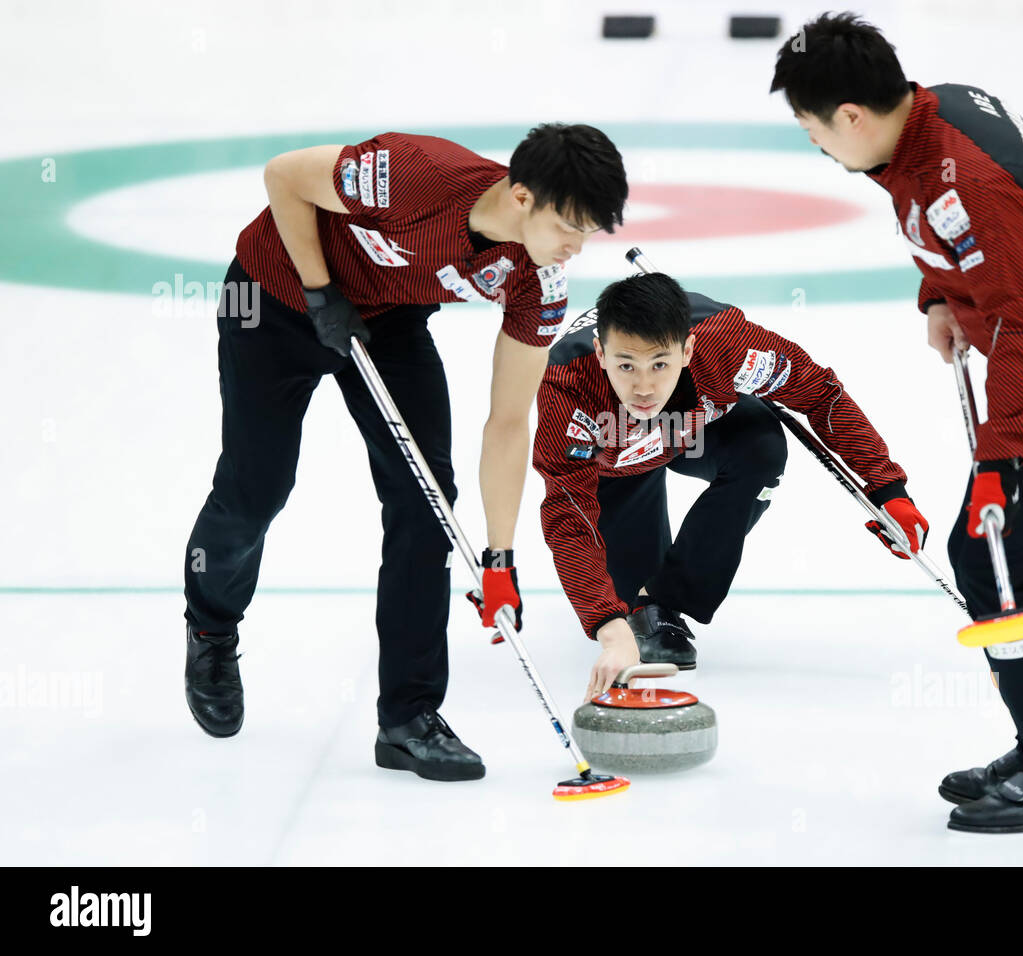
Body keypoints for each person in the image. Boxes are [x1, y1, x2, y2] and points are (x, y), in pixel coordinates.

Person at [771, 13, 1023, 832]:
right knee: (986, 561)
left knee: (993, 562)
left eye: (813, 130)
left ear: (850, 116)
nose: (816, 145)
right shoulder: (938, 111)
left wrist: (998, 464)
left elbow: (1021, 333)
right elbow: (980, 241)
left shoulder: (969, 183)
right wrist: (940, 293)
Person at [182, 125, 628, 782]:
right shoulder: (412, 173)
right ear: (523, 196)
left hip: (386, 320)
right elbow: (284, 175)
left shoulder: (540, 280)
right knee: (258, 487)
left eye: (590, 231)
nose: (575, 246)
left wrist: (499, 558)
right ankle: (211, 630)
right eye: (569, 224)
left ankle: (408, 718)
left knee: (427, 500)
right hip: (274, 296)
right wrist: (318, 291)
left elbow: (508, 422)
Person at [532, 272, 929, 700]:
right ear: (600, 352)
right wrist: (608, 627)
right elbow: (568, 512)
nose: (643, 387)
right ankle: (638, 599)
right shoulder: (565, 384)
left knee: (759, 448)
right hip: (619, 463)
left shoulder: (729, 344)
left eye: (659, 364)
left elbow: (820, 393)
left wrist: (887, 487)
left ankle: (668, 595)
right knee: (623, 609)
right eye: (626, 365)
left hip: (698, 430)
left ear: (688, 351)